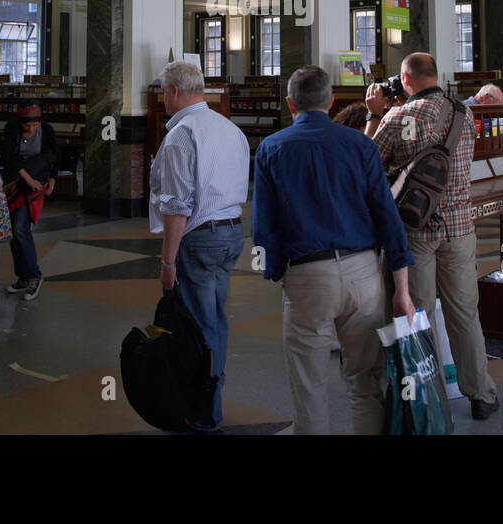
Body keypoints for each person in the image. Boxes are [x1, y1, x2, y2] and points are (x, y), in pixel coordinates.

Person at [253, 66, 414, 435]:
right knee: (365, 384)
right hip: (363, 275)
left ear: (290, 104)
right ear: (331, 101)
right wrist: (402, 290)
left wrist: (279, 272)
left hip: (307, 275)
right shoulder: (361, 146)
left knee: (309, 389)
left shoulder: (271, 149)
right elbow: (389, 220)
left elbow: (264, 227)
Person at [366, 52, 500, 420]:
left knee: (416, 314)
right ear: (435, 76)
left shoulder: (397, 116)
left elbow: (371, 167)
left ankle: (428, 396)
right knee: (464, 314)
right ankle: (481, 394)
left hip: (415, 231)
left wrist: (375, 113)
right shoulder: (465, 114)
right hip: (460, 228)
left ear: (406, 81)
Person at [149, 60, 250, 430]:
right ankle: (211, 394)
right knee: (215, 319)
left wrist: (167, 263)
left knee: (196, 325)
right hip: (231, 233)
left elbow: (177, 207)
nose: (162, 99)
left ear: (174, 91)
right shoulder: (229, 129)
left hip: (200, 239)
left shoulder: (180, 134)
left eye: (163, 92)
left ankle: (203, 410)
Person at [1, 104, 58, 299]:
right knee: (14, 232)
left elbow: (52, 154)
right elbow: (9, 157)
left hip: (36, 184)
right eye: (28, 126)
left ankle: (34, 275)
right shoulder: (11, 129)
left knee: (20, 228)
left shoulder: (46, 130)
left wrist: (52, 178)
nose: (31, 130)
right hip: (17, 183)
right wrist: (26, 178)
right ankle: (24, 277)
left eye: (35, 125)